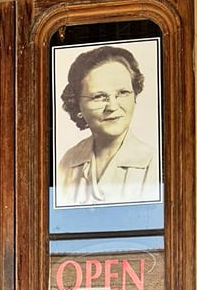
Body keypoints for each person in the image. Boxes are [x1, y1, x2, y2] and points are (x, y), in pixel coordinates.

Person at [56, 44, 161, 207]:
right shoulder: (67, 162)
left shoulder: (154, 162)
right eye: (99, 96)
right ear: (77, 105)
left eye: (123, 93)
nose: (112, 106)